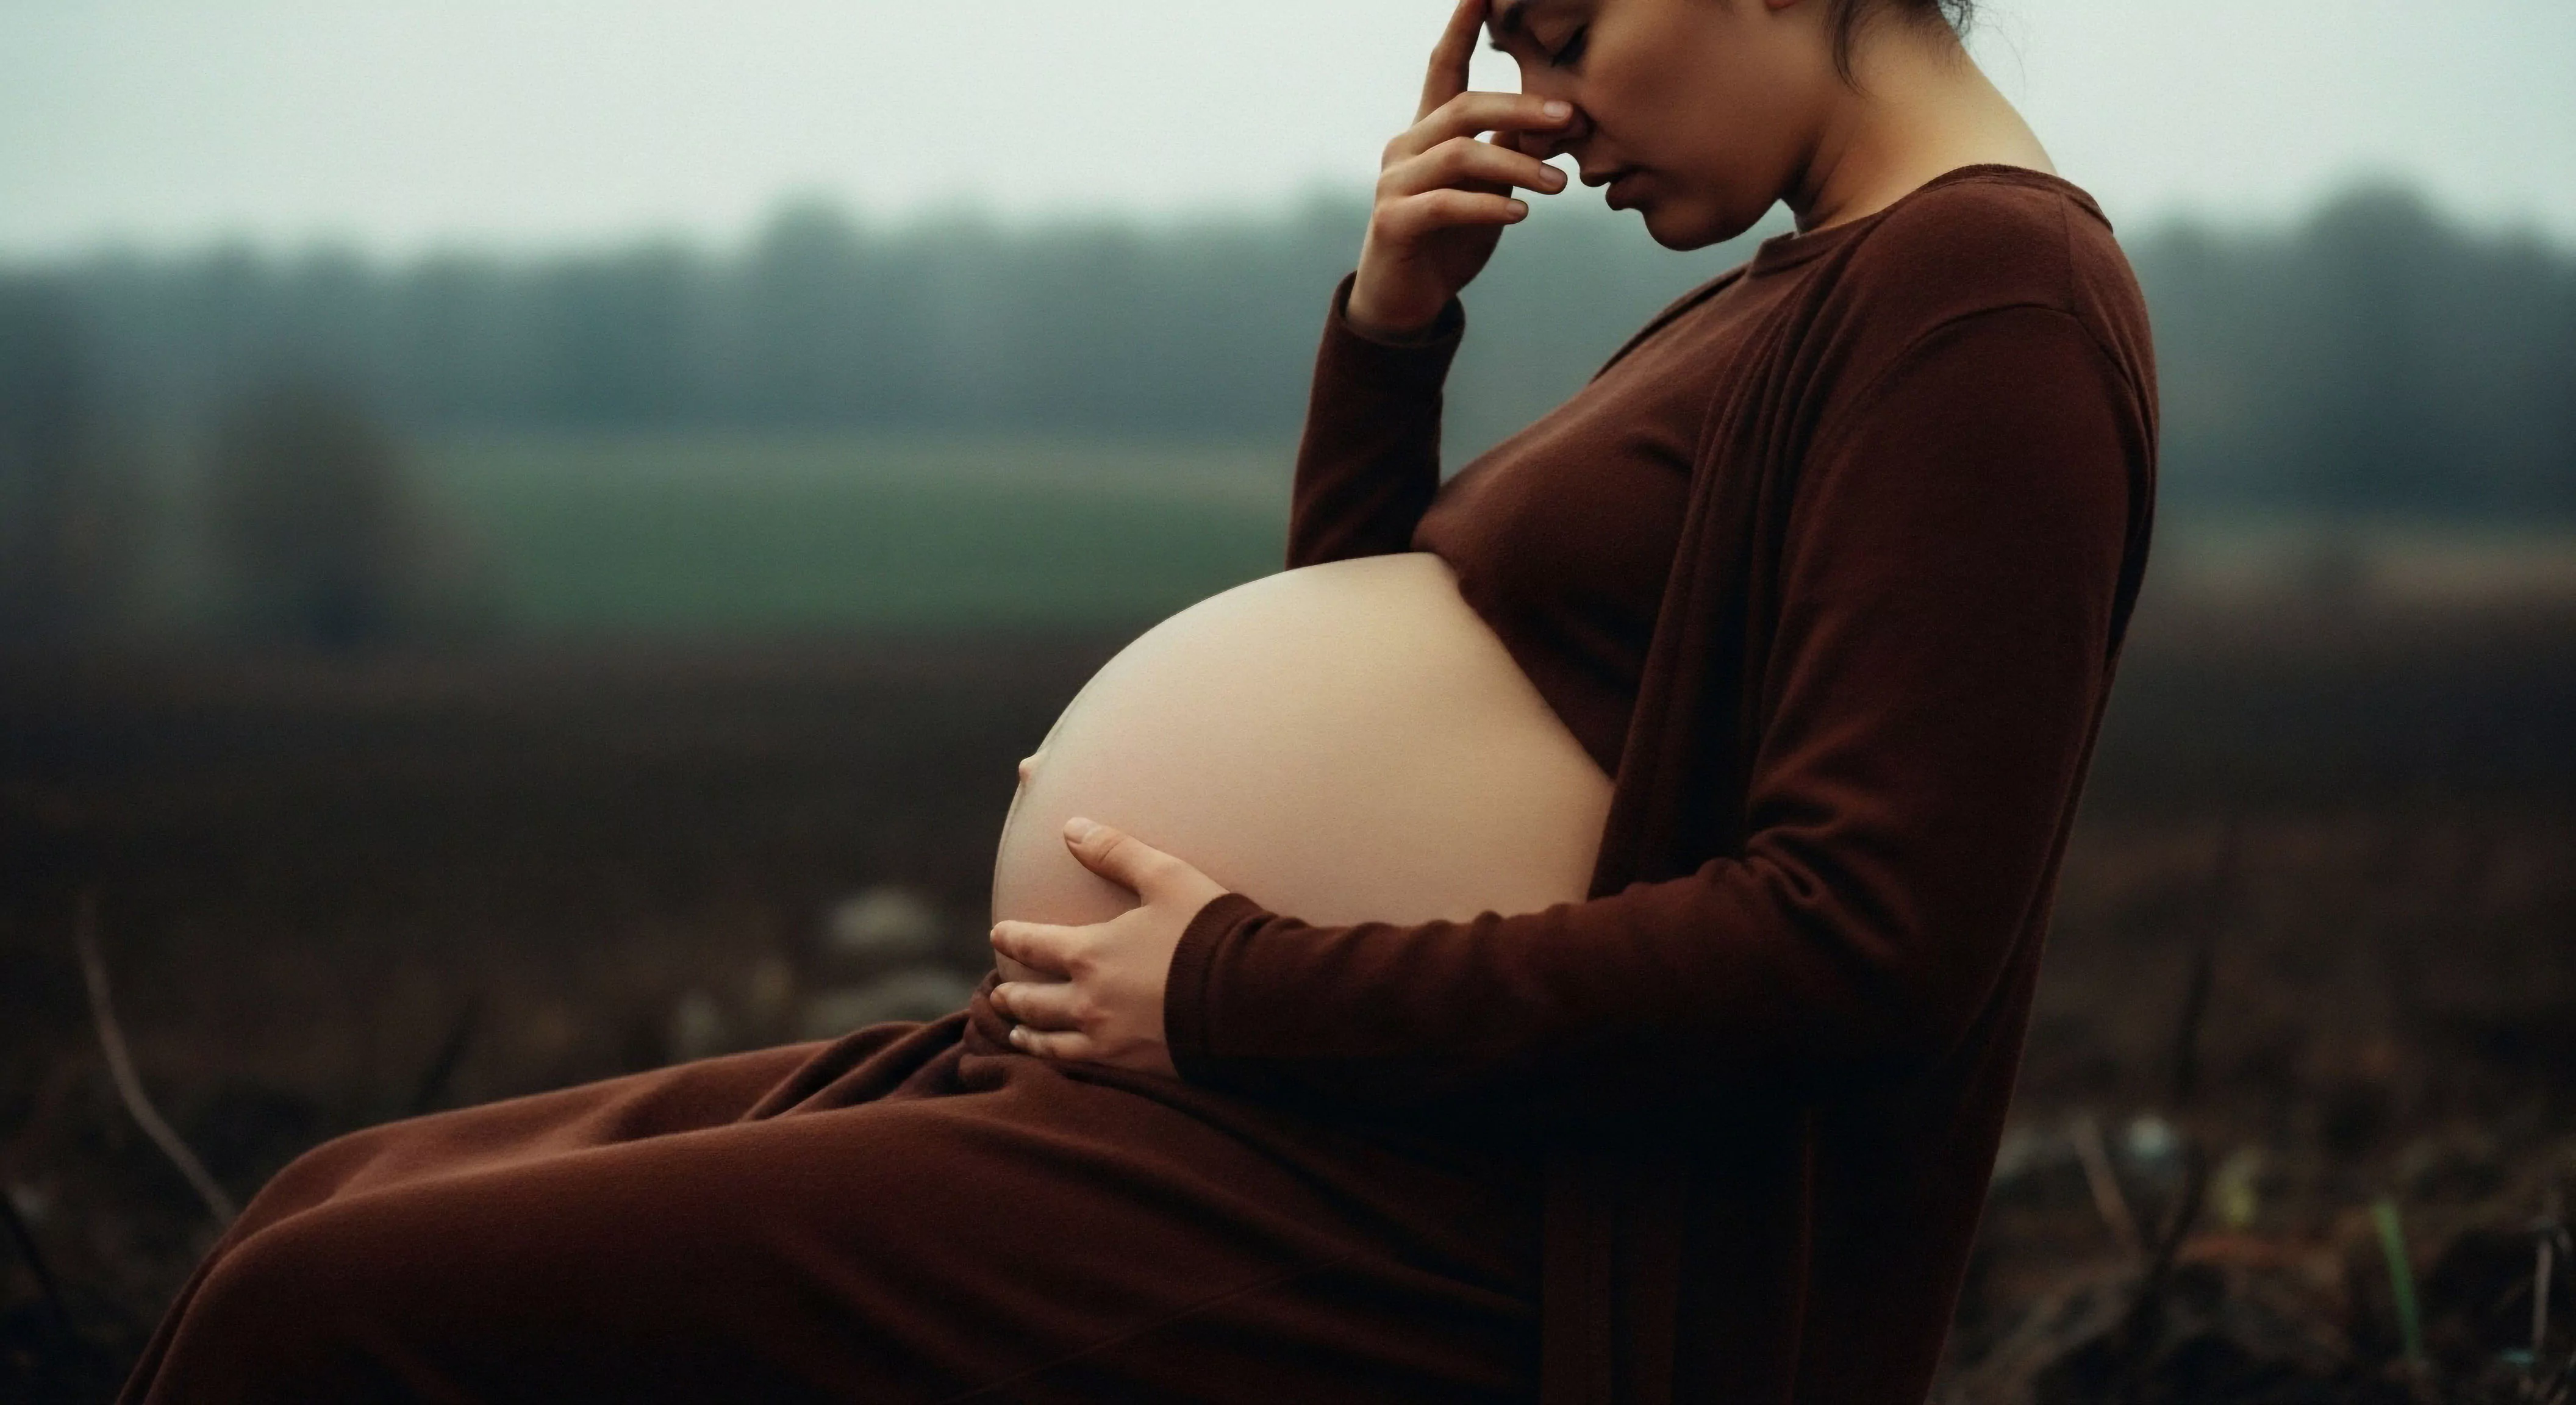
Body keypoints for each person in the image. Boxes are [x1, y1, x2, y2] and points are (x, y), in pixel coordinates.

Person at [118, 0, 2156, 1400]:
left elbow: (1865, 944)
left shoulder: (1986, 308)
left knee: (332, 1322)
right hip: (1277, 1114)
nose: (1542, 101)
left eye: (1560, 20)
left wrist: (1231, 993)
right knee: (322, 1217)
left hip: (1456, 1237)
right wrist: (1392, 333)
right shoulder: (1817, 288)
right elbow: (1402, 645)